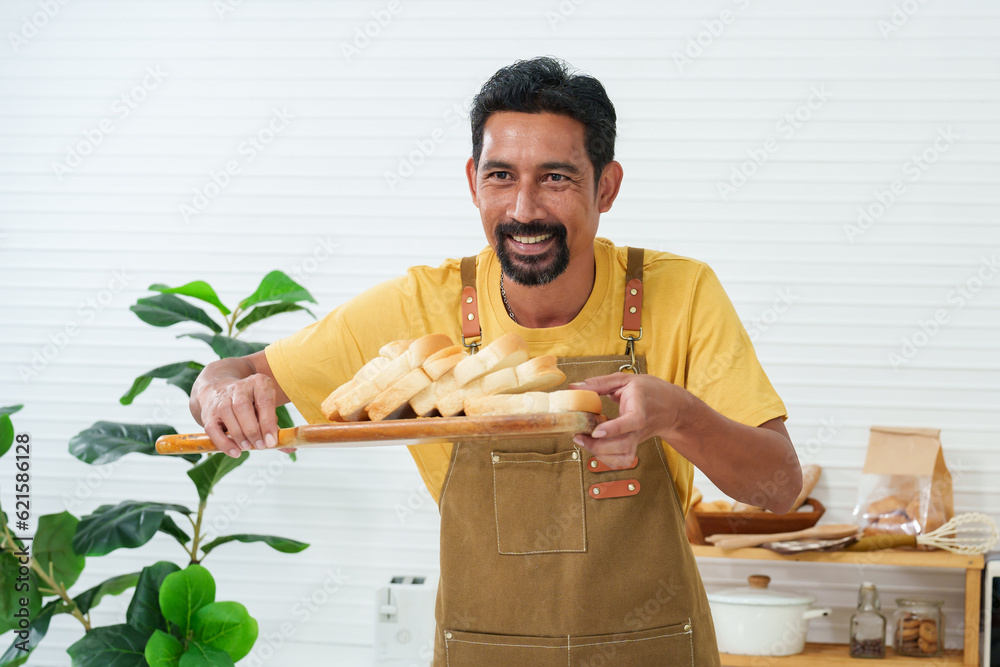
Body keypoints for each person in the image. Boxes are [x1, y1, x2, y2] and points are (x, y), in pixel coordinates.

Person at [190, 56, 802, 666]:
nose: (523, 209)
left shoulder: (683, 293)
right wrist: (220, 392)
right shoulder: (419, 305)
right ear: (472, 180)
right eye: (501, 176)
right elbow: (232, 373)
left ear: (607, 187)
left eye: (556, 178)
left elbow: (778, 488)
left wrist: (678, 415)